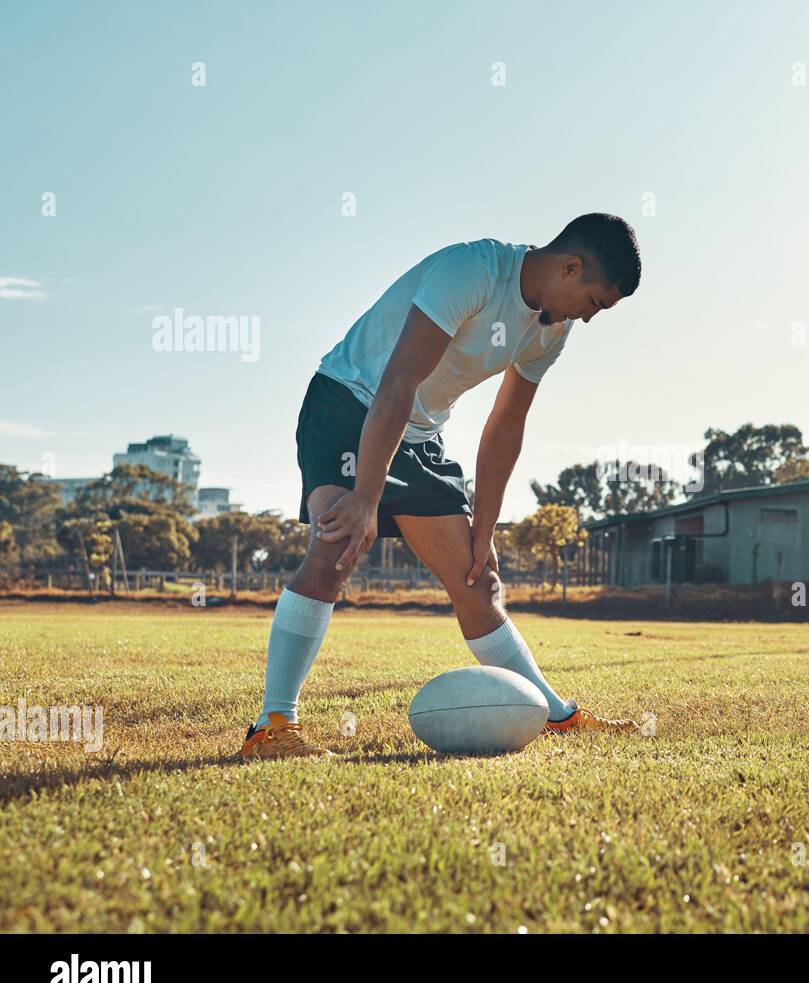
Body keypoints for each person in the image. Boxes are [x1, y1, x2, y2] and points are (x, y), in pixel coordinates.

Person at [241, 214, 642, 759]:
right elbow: (398, 380)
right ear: (570, 267)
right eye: (594, 302)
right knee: (338, 546)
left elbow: (505, 427)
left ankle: (552, 715)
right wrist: (365, 497)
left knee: (478, 580)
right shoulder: (471, 271)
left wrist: (485, 525)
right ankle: (271, 726)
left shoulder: (553, 330)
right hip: (350, 403)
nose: (589, 318)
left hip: (421, 434)